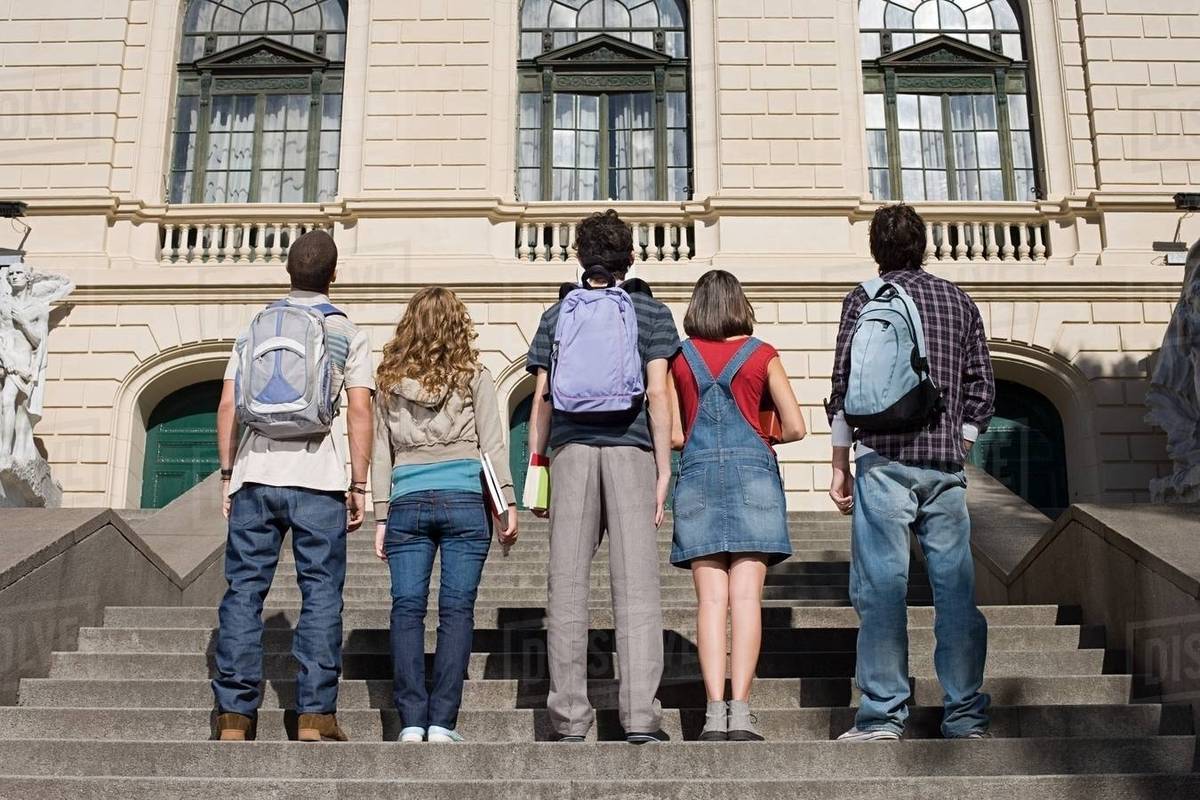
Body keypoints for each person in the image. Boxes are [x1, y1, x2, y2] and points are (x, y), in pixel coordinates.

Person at [826, 204, 995, 742]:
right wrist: (960, 441)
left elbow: (842, 385)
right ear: (924, 245)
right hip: (943, 466)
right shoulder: (958, 300)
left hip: (882, 461)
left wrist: (838, 464)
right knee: (955, 591)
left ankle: (882, 715)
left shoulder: (865, 298)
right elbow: (982, 386)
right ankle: (964, 713)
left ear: (876, 250)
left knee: (881, 589)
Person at [213, 230, 374, 743]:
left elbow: (227, 405)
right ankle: (314, 715)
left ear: (287, 271)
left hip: (255, 474)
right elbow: (361, 409)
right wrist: (359, 483)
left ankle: (235, 717)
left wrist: (225, 473)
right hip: (318, 477)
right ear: (334, 273)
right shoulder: (346, 329)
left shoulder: (255, 326)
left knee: (243, 592)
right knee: (321, 593)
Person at [526, 210, 681, 744]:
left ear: (579, 256)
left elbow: (542, 399)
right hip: (632, 450)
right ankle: (639, 717)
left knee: (567, 583)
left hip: (569, 452)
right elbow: (659, 394)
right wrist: (664, 469)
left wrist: (536, 468)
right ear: (630, 256)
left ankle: (570, 718)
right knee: (636, 585)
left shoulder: (557, 313)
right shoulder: (652, 312)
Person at [371, 287, 519, 743]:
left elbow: (381, 450)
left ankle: (410, 720)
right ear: (459, 325)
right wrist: (506, 504)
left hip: (407, 499)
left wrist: (381, 514)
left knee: (407, 608)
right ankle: (442, 722)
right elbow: (492, 445)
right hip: (463, 500)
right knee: (457, 611)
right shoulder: (475, 375)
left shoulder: (389, 380)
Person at [667, 269, 806, 741]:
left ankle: (712, 714)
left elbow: (672, 434)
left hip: (698, 478)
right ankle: (742, 714)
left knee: (710, 602)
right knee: (746, 600)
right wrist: (759, 432)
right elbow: (795, 427)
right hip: (754, 477)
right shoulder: (762, 354)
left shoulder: (680, 359)